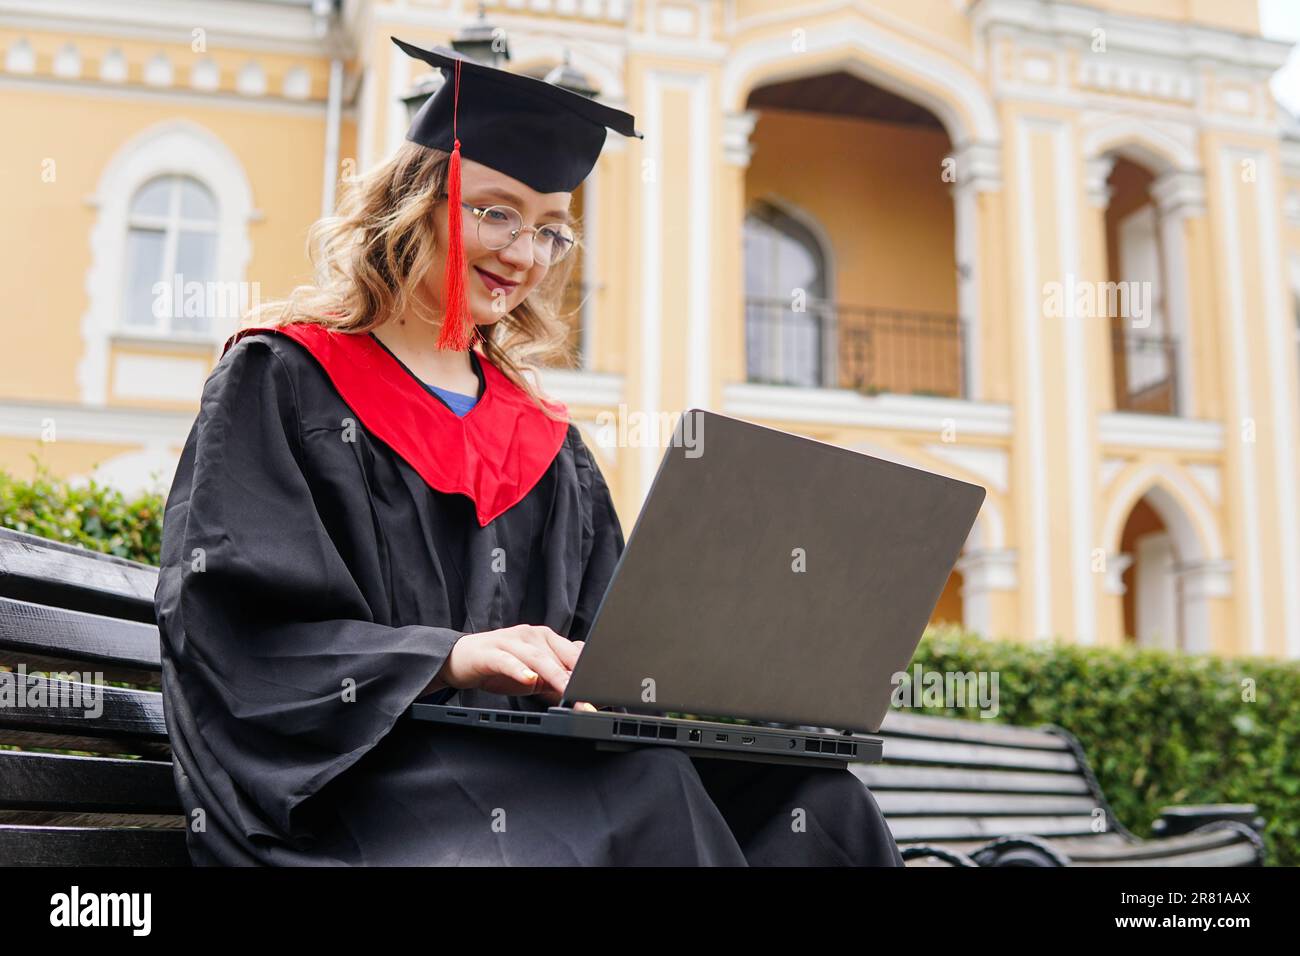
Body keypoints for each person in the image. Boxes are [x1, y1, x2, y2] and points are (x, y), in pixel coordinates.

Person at [154, 36, 904, 866]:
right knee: (644, 792)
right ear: (414, 202)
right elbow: (232, 631)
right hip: (361, 779)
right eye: (496, 211)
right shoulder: (284, 379)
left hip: (535, 760)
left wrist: (660, 681)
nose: (523, 253)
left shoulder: (549, 445)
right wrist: (448, 658)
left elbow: (607, 644)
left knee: (821, 801)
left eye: (552, 230)